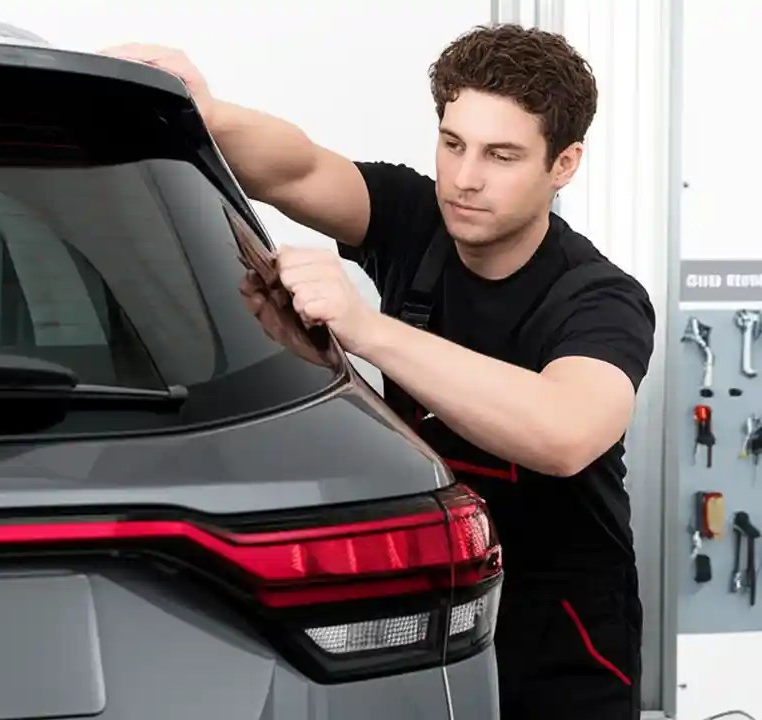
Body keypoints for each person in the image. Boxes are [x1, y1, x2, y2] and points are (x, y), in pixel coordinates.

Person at [103, 23, 656, 720]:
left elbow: (566, 430)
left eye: (502, 155)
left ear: (564, 163)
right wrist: (205, 114)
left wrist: (366, 330)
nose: (464, 178)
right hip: (436, 615)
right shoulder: (414, 221)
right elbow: (293, 168)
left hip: (563, 645)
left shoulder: (599, 298)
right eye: (452, 144)